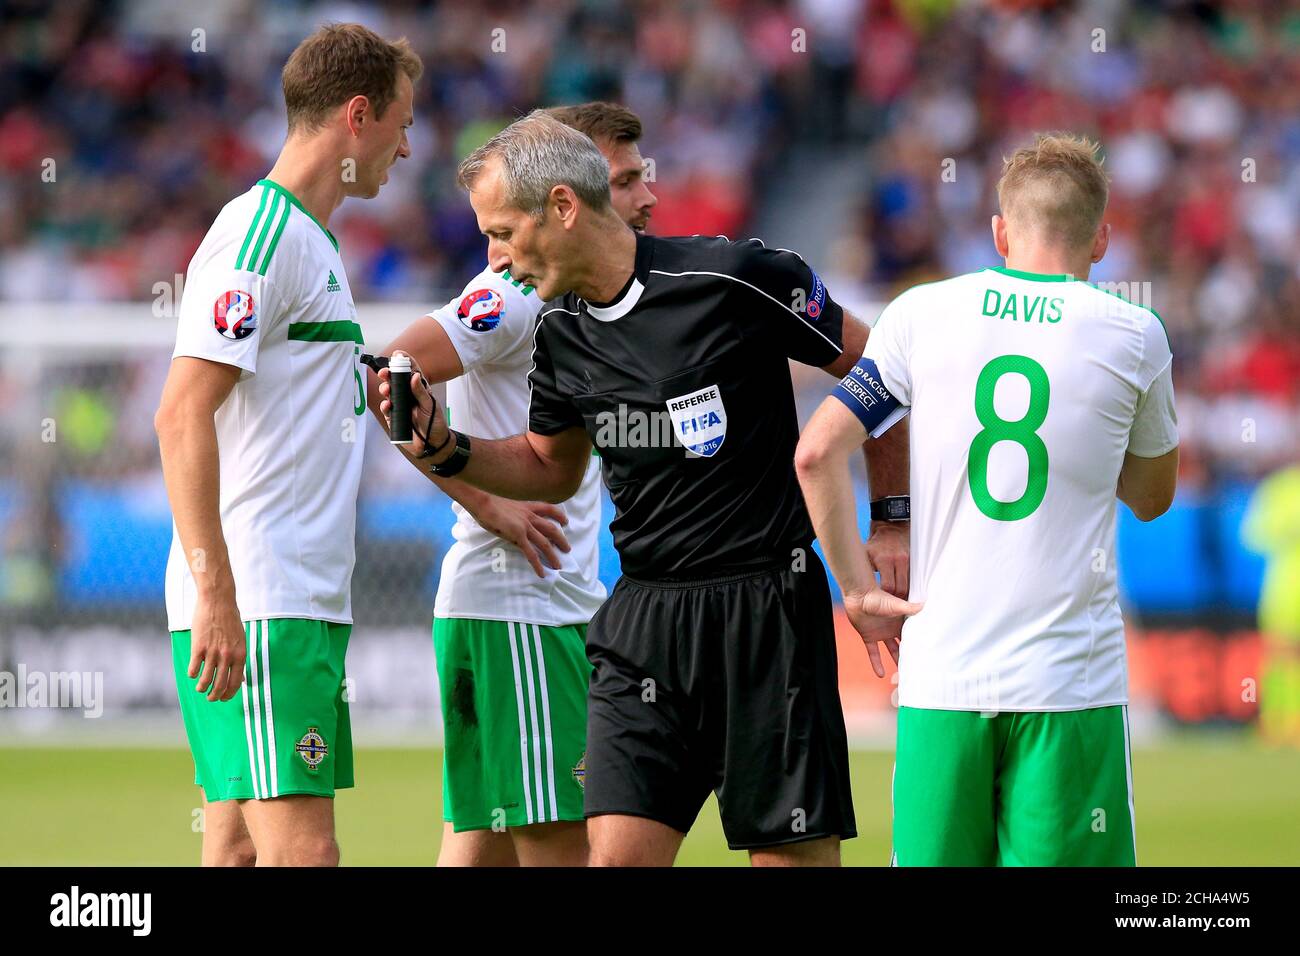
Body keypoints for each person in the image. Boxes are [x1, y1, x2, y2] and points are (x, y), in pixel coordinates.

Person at [378, 111, 911, 866]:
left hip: (765, 614)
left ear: (563, 208)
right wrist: (449, 447)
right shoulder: (558, 329)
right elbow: (550, 467)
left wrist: (890, 520)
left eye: (502, 232)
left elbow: (880, 372)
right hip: (641, 621)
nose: (493, 256)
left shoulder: (738, 278)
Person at [795, 133, 1180, 866]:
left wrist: (856, 589)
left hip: (942, 678)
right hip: (1068, 685)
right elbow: (1153, 498)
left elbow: (814, 453)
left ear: (1000, 232)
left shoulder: (922, 314)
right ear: (1101, 238)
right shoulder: (1136, 335)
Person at [154, 23, 420, 866]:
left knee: (232, 847)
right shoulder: (261, 236)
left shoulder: (312, 242)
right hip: (262, 599)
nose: (408, 147)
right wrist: (217, 594)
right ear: (356, 116)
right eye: (401, 123)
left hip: (283, 595)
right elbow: (180, 415)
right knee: (306, 856)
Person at [367, 102, 657, 866]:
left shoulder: (578, 297)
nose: (644, 196)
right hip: (521, 609)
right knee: (562, 846)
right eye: (623, 180)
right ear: (569, 191)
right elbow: (386, 373)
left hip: (523, 610)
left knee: (479, 850)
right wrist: (485, 499)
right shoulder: (512, 297)